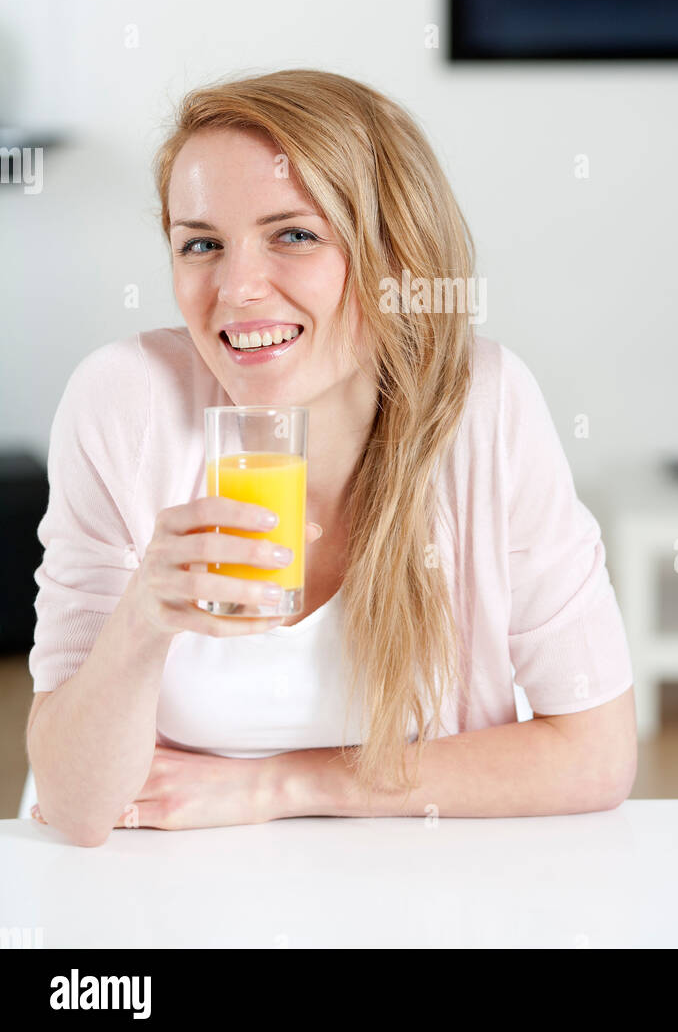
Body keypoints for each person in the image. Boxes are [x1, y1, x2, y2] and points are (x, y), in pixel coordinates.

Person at [26, 69, 636, 846]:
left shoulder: (484, 406)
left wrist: (276, 786)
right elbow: (77, 808)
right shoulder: (126, 402)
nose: (238, 288)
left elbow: (594, 753)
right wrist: (142, 619)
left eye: (295, 235)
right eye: (201, 244)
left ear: (395, 255)